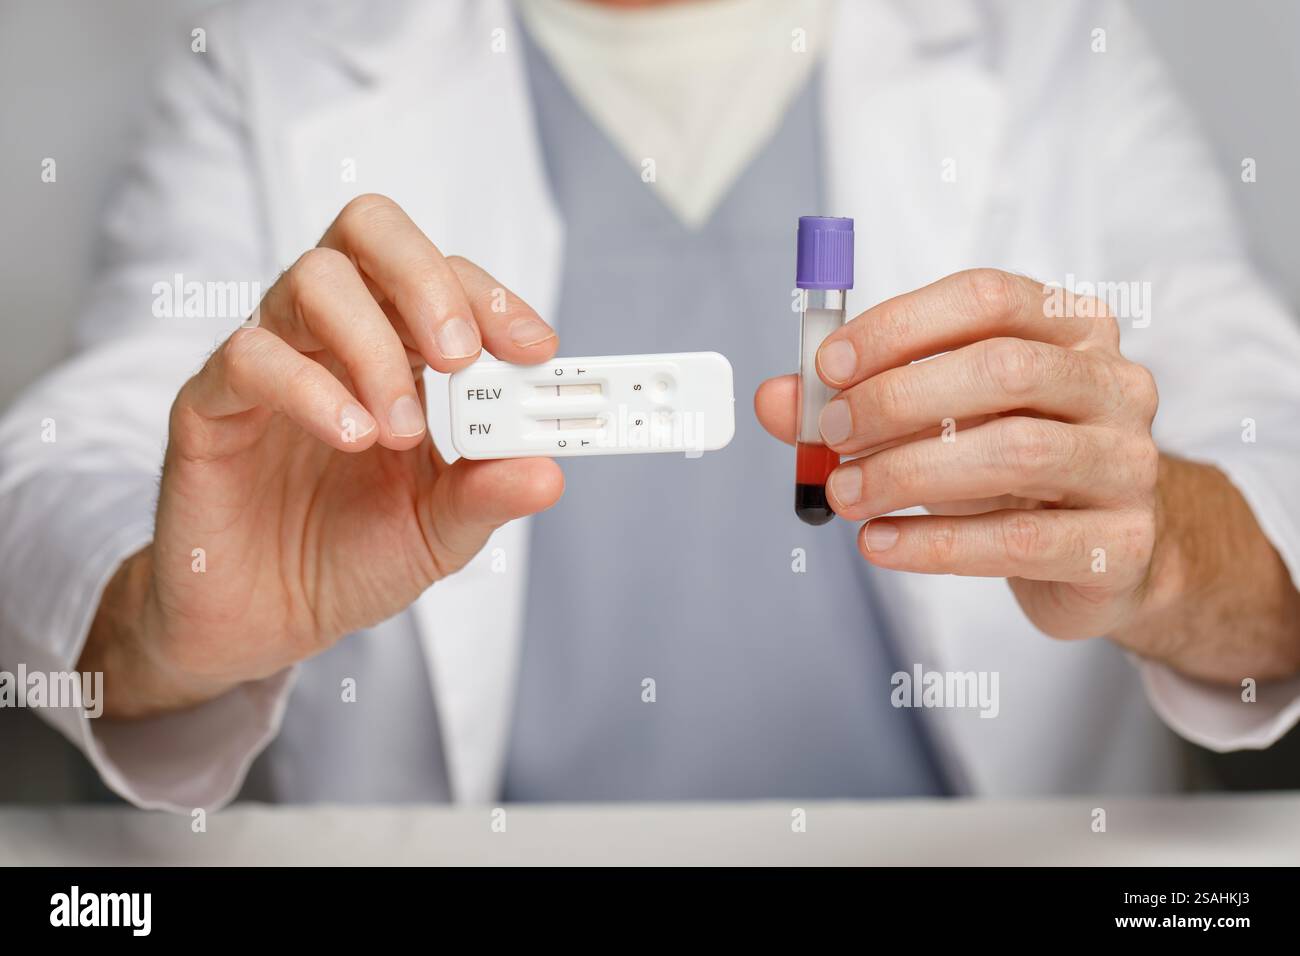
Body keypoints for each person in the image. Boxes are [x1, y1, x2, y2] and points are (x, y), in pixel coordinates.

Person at [2, 0, 1298, 811]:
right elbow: (55, 473)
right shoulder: (267, 67)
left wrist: (1172, 547)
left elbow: (1276, 456)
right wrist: (168, 610)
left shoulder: (1052, 49)